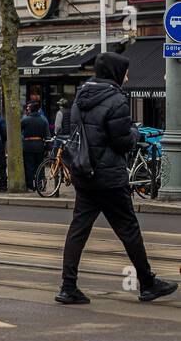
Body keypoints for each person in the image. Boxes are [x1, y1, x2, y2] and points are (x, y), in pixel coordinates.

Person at [57, 52, 178, 305]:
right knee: (129, 230)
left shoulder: (80, 98)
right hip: (110, 178)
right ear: (115, 73)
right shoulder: (116, 100)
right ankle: (147, 284)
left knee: (78, 230)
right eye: (124, 72)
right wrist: (134, 132)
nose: (127, 77)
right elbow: (122, 142)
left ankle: (68, 286)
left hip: (85, 173)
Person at [21, 101, 50, 190]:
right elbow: (47, 135)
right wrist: (48, 148)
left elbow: (18, 132)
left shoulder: (25, 119)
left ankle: (30, 186)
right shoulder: (43, 119)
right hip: (39, 145)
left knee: (29, 166)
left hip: (27, 145)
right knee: (40, 166)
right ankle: (40, 186)